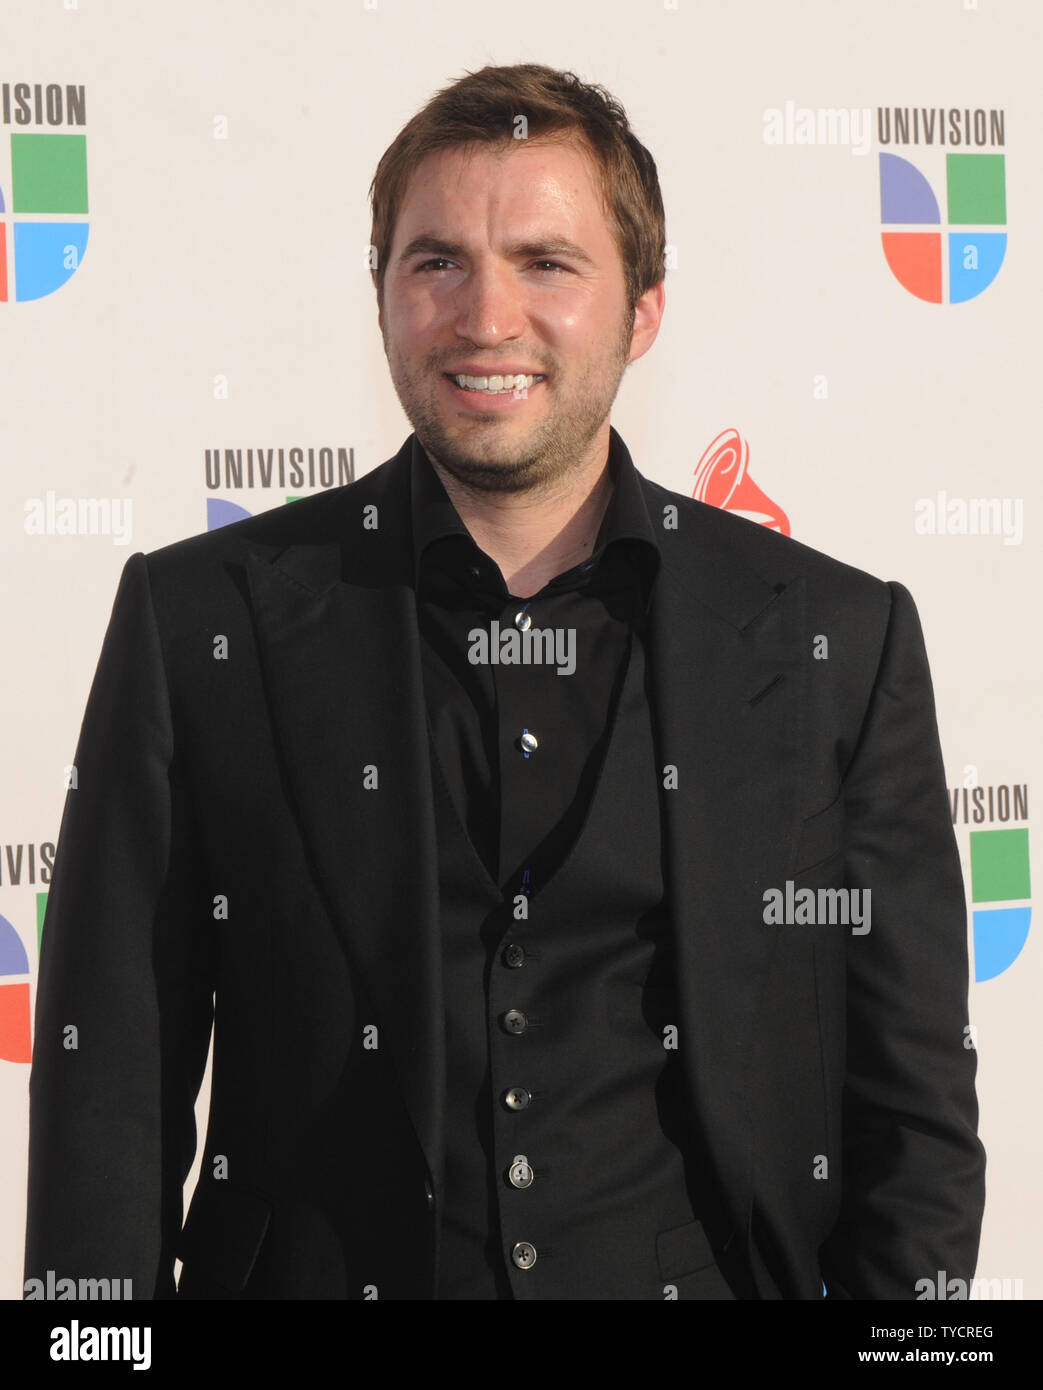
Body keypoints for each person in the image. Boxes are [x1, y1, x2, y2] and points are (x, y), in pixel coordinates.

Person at [24, 62, 985, 1300]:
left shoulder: (833, 644)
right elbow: (112, 1081)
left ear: (641, 309)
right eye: (436, 262)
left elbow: (911, 1112)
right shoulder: (201, 621)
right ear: (378, 297)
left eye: (545, 262)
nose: (485, 317)